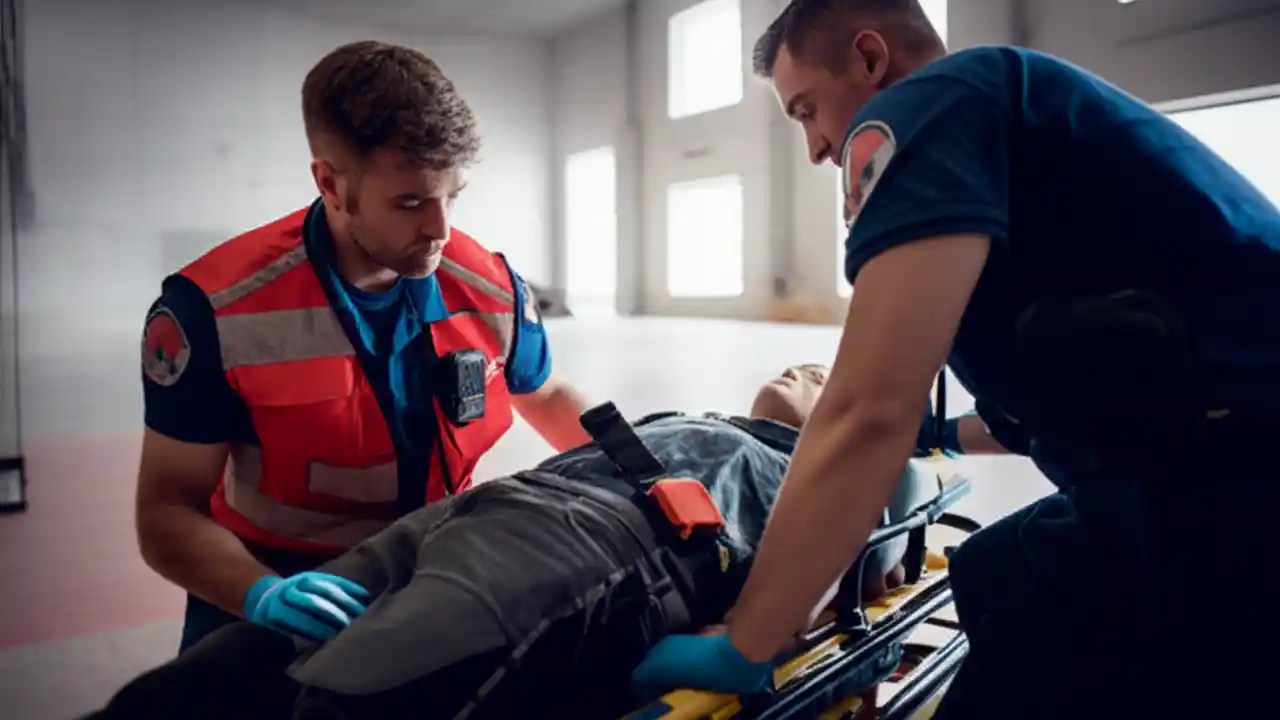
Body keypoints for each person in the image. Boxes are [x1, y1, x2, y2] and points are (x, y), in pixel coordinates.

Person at [630, 1, 1280, 717]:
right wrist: (942, 435)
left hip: (1230, 499)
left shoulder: (930, 105)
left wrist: (747, 642)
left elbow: (868, 410)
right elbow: (1099, 389)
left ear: (871, 59)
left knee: (1035, 630)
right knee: (1007, 578)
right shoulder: (1023, 131)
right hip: (1202, 466)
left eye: (806, 109)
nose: (815, 146)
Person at [91, 364, 949, 720]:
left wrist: (729, 645)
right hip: (491, 511)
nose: (800, 371)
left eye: (817, 368)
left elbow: (848, 576)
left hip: (597, 550)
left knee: (351, 699)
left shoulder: (854, 468)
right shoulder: (695, 414)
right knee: (209, 681)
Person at [135, 40, 593, 654]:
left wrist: (643, 474)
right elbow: (167, 509)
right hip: (268, 586)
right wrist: (261, 593)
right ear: (330, 182)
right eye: (409, 202)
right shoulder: (213, 311)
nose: (441, 230)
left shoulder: (488, 286)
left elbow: (547, 394)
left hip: (433, 569)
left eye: (452, 196)